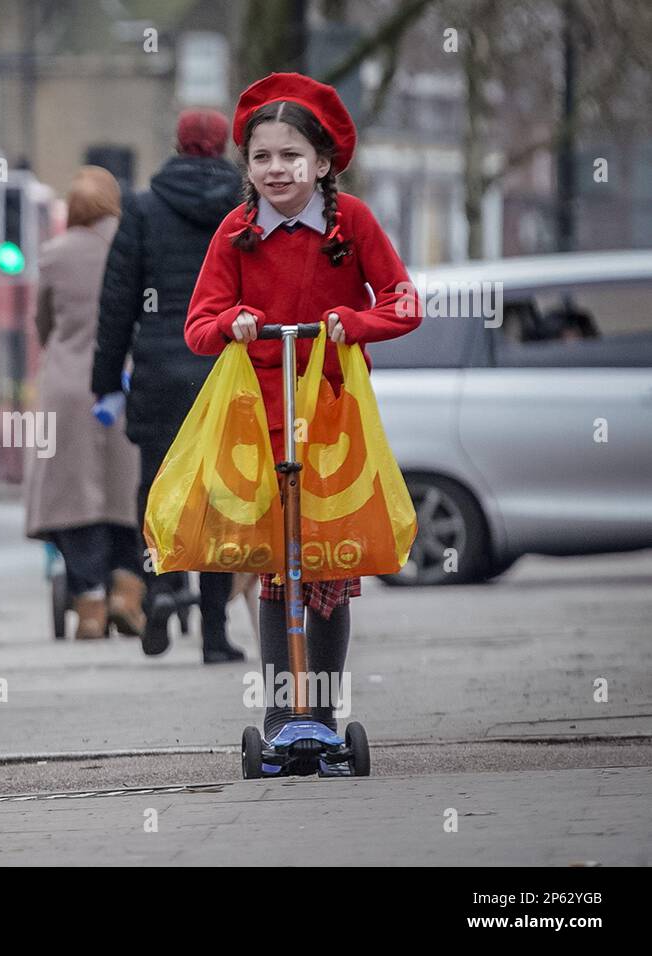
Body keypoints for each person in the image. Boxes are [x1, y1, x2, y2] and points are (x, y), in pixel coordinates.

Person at [184, 73, 422, 738]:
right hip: (258, 423)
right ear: (247, 167)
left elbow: (403, 303)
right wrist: (234, 322)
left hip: (331, 422)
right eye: (261, 157)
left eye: (291, 156)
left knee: (328, 569)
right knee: (277, 571)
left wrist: (354, 321)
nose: (276, 169)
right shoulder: (237, 230)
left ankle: (320, 713)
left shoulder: (354, 223)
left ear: (322, 163)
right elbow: (197, 325)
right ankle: (279, 714)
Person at [92, 108, 246, 662]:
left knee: (159, 490)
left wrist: (106, 382)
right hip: (227, 368)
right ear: (225, 144)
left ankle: (158, 588)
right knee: (222, 496)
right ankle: (213, 632)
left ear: (179, 143)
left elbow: (117, 303)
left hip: (158, 368)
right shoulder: (244, 206)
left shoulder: (142, 206)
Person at [23, 167, 142, 640]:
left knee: (73, 500)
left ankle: (90, 604)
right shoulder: (131, 245)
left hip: (67, 387)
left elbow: (43, 324)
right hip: (125, 382)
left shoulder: (55, 254)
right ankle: (129, 592)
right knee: (128, 492)